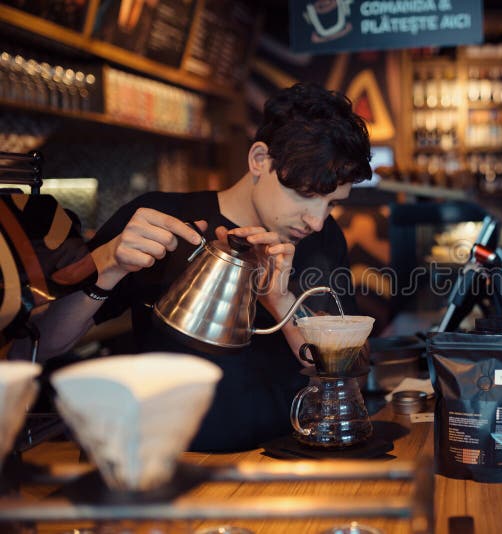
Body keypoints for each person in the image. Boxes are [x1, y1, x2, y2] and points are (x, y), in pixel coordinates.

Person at [11, 82, 372, 451]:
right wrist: (109, 264)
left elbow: (352, 377)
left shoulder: (323, 240)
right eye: (307, 194)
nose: (316, 220)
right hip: (172, 460)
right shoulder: (161, 219)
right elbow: (37, 347)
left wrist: (281, 301)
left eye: (331, 203)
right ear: (260, 159)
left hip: (283, 457)